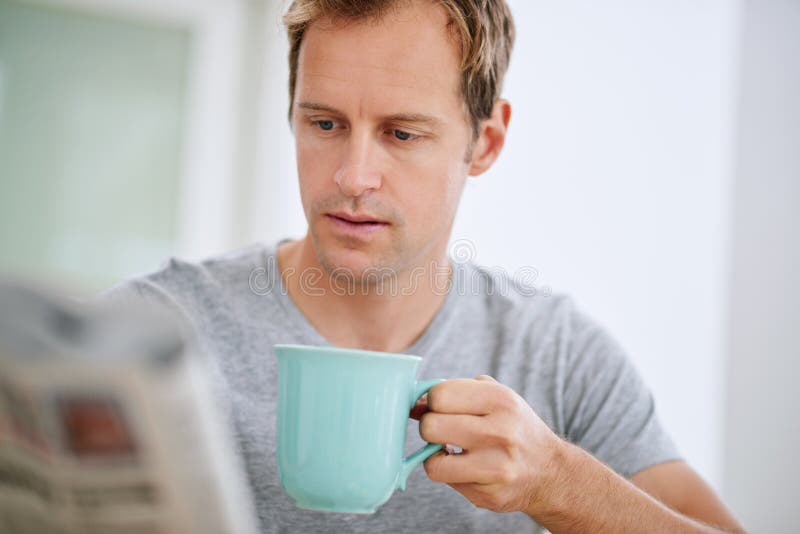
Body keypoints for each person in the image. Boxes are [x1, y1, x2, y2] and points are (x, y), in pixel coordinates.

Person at [107, 0, 744, 531]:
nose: (353, 176)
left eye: (402, 134)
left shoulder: (556, 355)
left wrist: (558, 482)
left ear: (485, 142)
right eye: (324, 123)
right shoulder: (147, 333)